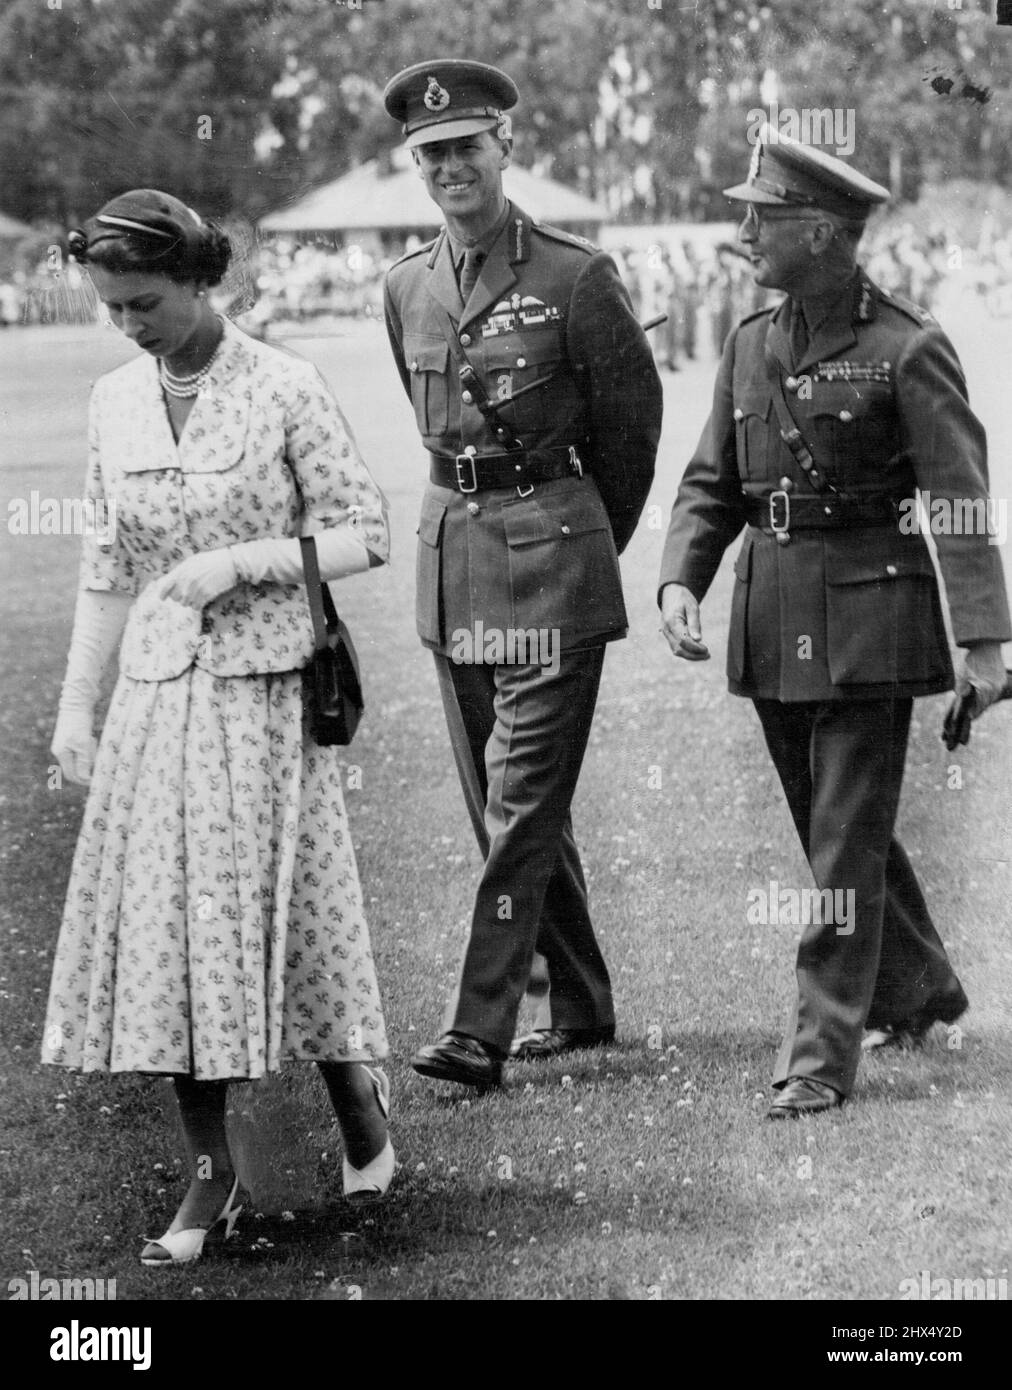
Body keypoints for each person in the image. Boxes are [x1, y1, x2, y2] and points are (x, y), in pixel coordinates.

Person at [42, 189, 395, 1263]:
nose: (130, 324)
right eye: (112, 308)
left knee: (291, 917)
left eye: (145, 301)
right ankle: (213, 1178)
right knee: (170, 943)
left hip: (265, 691)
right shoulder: (114, 402)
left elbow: (363, 532)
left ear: (204, 278)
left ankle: (359, 1109)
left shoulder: (283, 385)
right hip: (159, 696)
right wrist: (74, 707)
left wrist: (240, 564)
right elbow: (105, 568)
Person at [657, 126, 1010, 1118]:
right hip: (770, 620)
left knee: (839, 845)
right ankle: (921, 986)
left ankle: (818, 1051)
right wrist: (681, 578)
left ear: (819, 232)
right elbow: (709, 482)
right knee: (836, 830)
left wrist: (987, 645)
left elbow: (961, 500)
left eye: (758, 219)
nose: (740, 235)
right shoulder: (746, 343)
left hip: (870, 627)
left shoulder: (906, 347)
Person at [382, 60, 662, 1087]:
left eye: (468, 147)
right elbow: (435, 431)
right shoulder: (404, 284)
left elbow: (629, 429)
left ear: (505, 147)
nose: (452, 167)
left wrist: (584, 543)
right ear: (416, 166)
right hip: (450, 561)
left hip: (552, 567)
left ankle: (478, 1025)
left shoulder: (574, 276)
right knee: (504, 803)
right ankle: (579, 1002)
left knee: (522, 798)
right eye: (433, 154)